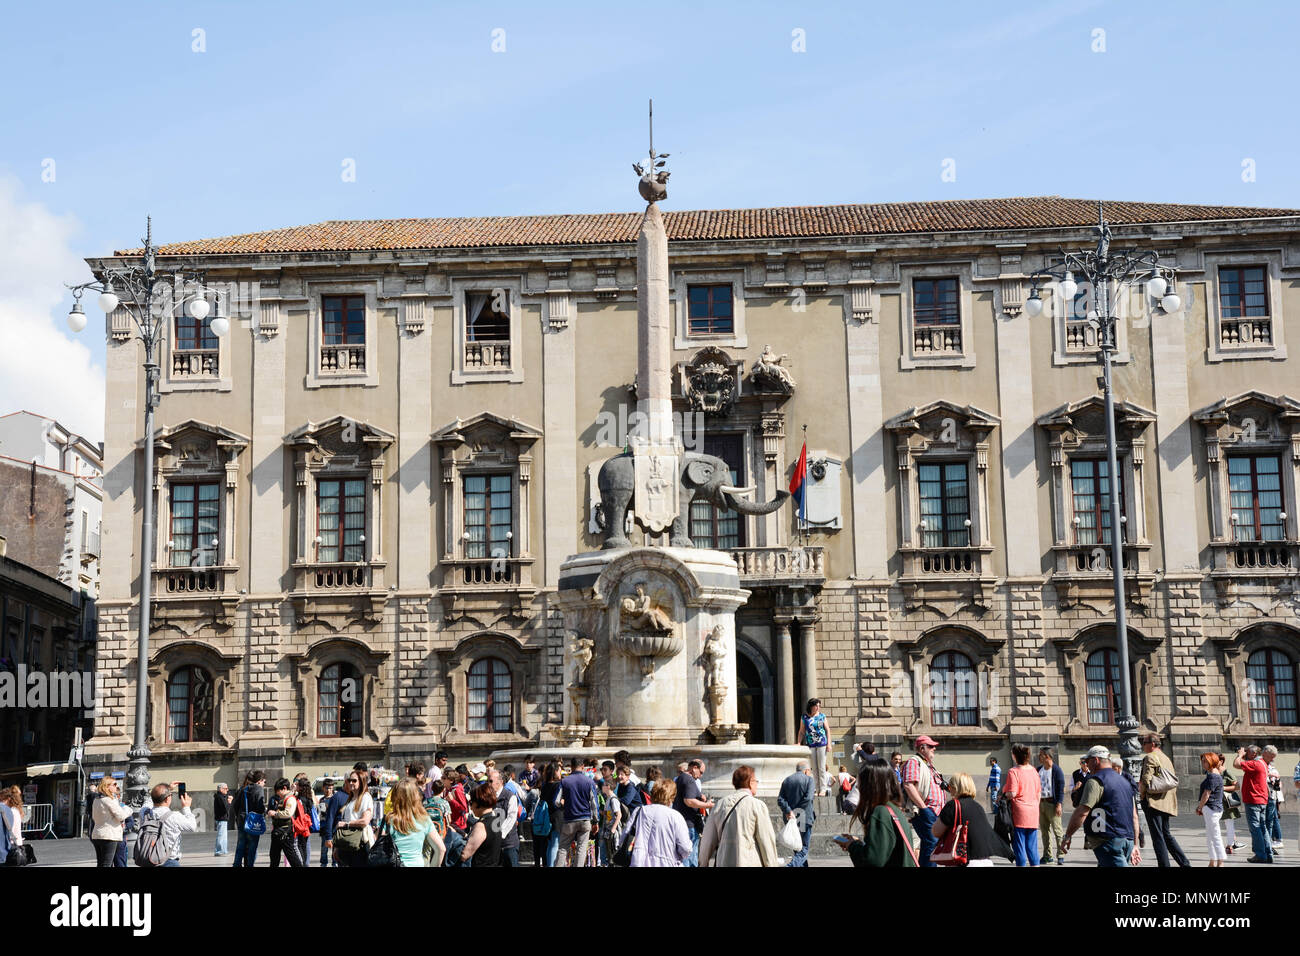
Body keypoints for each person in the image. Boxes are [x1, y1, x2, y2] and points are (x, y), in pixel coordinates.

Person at [1062, 746, 1140, 867]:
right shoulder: (1125, 781)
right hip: (1127, 840)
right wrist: (1135, 844)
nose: (1086, 765)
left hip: (1108, 841)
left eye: (1088, 761)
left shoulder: (1096, 781)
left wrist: (1067, 836)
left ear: (1096, 760)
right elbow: (1134, 816)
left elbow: (1082, 812)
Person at [837, 756, 918, 867]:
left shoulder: (880, 812)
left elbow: (872, 861)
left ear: (871, 785)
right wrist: (860, 843)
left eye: (861, 783)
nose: (859, 788)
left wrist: (852, 846)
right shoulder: (893, 809)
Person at [698, 765, 779, 867]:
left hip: (723, 862)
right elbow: (766, 841)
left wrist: (703, 863)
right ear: (750, 782)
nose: (757, 785)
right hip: (750, 862)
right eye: (756, 782)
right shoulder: (757, 806)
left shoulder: (720, 805)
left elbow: (707, 841)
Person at [933, 772, 1012, 866]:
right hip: (985, 861)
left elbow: (936, 831)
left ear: (954, 788)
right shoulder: (978, 807)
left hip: (964, 861)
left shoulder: (953, 805)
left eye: (950, 786)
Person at [1139, 732, 1190, 868]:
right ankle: (1185, 863)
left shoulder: (1150, 757)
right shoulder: (1166, 758)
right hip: (1166, 802)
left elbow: (1146, 780)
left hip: (1154, 802)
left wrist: (1142, 794)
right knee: (1166, 835)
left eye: (1144, 742)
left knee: (1158, 837)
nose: (1142, 745)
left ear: (1153, 744)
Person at [900, 735, 946, 866]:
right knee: (931, 842)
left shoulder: (926, 764)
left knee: (931, 844)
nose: (934, 749)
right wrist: (924, 808)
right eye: (931, 746)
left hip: (932, 812)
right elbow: (908, 784)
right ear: (922, 748)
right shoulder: (914, 762)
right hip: (924, 811)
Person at [626, 778, 692, 867]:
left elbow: (625, 836)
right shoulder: (676, 816)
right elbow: (685, 848)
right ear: (672, 796)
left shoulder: (639, 811)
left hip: (638, 862)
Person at [388, 778, 445, 867]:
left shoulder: (389, 820)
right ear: (416, 797)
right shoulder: (424, 819)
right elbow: (441, 849)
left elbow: (376, 846)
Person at [140, 783, 197, 867]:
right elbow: (192, 826)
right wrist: (186, 807)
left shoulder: (144, 813)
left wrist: (167, 789)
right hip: (169, 861)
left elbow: (147, 803)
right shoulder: (174, 816)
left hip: (149, 860)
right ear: (167, 799)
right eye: (171, 795)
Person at [1233, 745, 1273, 863]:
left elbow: (1236, 764)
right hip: (1261, 800)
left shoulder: (1255, 764)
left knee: (1255, 828)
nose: (1245, 753)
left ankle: (1260, 854)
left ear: (1254, 754)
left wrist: (1240, 755)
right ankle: (1268, 853)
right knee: (1262, 827)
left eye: (1248, 752)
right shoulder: (1262, 763)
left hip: (1253, 800)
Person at [1003, 743, 1041, 866]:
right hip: (1033, 810)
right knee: (1032, 845)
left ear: (1014, 756)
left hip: (1020, 811)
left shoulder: (1013, 771)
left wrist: (1004, 793)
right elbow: (1038, 793)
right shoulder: (1034, 771)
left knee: (1019, 844)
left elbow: (1012, 793)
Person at [672, 758, 714, 867]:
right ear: (694, 768)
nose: (700, 776)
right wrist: (707, 805)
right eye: (701, 772)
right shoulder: (689, 780)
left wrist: (700, 796)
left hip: (683, 821)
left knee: (689, 855)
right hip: (689, 823)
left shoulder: (680, 778)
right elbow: (689, 801)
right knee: (689, 856)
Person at [559, 756, 598, 867]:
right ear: (583, 767)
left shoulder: (564, 781)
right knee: (581, 849)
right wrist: (596, 821)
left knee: (563, 848)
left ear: (571, 767)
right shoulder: (589, 781)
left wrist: (565, 806)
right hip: (585, 819)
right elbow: (594, 804)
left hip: (569, 819)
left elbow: (556, 802)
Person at [777, 759, 816, 867]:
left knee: (797, 846)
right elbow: (808, 798)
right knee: (803, 849)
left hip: (790, 818)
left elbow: (780, 799)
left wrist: (789, 810)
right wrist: (797, 810)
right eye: (810, 770)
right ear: (806, 770)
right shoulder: (809, 780)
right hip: (803, 817)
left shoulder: (787, 780)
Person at [335, 769, 375, 867]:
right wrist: (337, 848)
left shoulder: (366, 797)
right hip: (347, 843)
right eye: (349, 780)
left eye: (354, 780)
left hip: (359, 843)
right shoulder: (351, 798)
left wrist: (347, 824)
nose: (351, 783)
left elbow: (365, 821)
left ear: (361, 782)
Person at [266, 777, 307, 868]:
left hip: (286, 832)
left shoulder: (290, 799)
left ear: (284, 788)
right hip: (278, 831)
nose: (277, 794)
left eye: (278, 791)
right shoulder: (285, 797)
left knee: (291, 856)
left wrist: (275, 813)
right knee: (274, 856)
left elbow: (288, 813)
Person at [231, 769, 267, 868]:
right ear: (259, 780)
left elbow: (235, 805)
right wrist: (263, 812)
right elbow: (260, 806)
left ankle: (237, 864)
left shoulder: (243, 789)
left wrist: (239, 816)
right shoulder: (258, 789)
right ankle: (250, 864)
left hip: (242, 820)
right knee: (252, 846)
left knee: (241, 845)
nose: (264, 783)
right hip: (253, 821)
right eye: (264, 781)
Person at [463, 782, 504, 867]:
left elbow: (465, 855)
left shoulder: (481, 825)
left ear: (478, 803)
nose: (470, 807)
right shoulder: (496, 820)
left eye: (471, 803)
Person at [1195, 752, 1225, 868]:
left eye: (1205, 761)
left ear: (1211, 761)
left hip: (1212, 808)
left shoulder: (1213, 776)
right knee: (1211, 836)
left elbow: (1206, 795)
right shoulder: (1214, 774)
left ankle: (1220, 862)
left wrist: (1199, 807)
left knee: (1215, 836)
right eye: (1202, 761)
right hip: (1213, 808)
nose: (1202, 764)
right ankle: (1212, 861)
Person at [1037, 747, 1066, 864]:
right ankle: (1047, 855)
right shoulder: (1038, 769)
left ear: (1047, 756)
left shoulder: (1056, 770)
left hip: (1052, 804)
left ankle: (1060, 854)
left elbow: (1060, 789)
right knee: (1044, 831)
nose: (1039, 757)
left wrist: (1059, 804)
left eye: (1041, 755)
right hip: (1041, 803)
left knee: (1057, 830)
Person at [800, 699, 831, 795]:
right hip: (811, 744)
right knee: (814, 768)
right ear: (811, 706)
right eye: (816, 706)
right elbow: (801, 731)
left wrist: (829, 744)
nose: (818, 708)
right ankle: (817, 789)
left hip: (822, 744)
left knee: (821, 767)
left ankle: (823, 788)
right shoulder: (804, 717)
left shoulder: (822, 716)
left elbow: (827, 730)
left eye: (819, 706)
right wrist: (798, 742)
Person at [537, 762, 563, 867]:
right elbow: (558, 802)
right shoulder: (558, 785)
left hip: (547, 818)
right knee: (555, 845)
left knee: (550, 845)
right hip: (557, 817)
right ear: (555, 771)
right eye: (560, 771)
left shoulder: (545, 785)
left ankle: (548, 865)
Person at [1262, 745, 1284, 853]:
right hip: (1267, 796)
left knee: (1272, 820)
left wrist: (1277, 781)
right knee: (1269, 820)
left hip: (1273, 796)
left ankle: (1272, 841)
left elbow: (1278, 784)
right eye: (1272, 757)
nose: (1273, 759)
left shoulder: (1272, 767)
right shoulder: (1262, 765)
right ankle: (1269, 842)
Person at [597, 777, 623, 865]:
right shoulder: (608, 799)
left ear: (608, 786)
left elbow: (619, 815)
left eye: (603, 785)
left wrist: (613, 829)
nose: (602, 787)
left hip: (612, 832)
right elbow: (607, 813)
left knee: (612, 855)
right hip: (607, 831)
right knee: (608, 854)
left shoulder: (613, 799)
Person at [1220, 756, 1243, 854]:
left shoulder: (1227, 773)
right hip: (1216, 801)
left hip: (1226, 802)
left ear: (1221, 761)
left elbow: (1237, 786)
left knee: (1229, 823)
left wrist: (1223, 788)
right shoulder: (1212, 772)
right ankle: (1223, 844)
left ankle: (1229, 845)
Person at [316, 779, 337, 866]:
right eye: (327, 788)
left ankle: (335, 862)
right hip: (324, 826)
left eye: (331, 788)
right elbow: (321, 813)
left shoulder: (335, 798)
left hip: (334, 826)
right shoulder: (322, 800)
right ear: (323, 788)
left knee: (334, 847)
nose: (329, 790)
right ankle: (323, 863)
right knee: (324, 847)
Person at [212, 782, 232, 855]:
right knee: (221, 835)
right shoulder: (219, 797)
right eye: (226, 788)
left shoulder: (221, 796)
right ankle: (219, 851)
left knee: (223, 836)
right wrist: (229, 802)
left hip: (222, 818)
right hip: (221, 818)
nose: (227, 790)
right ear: (221, 789)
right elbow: (225, 808)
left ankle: (223, 851)